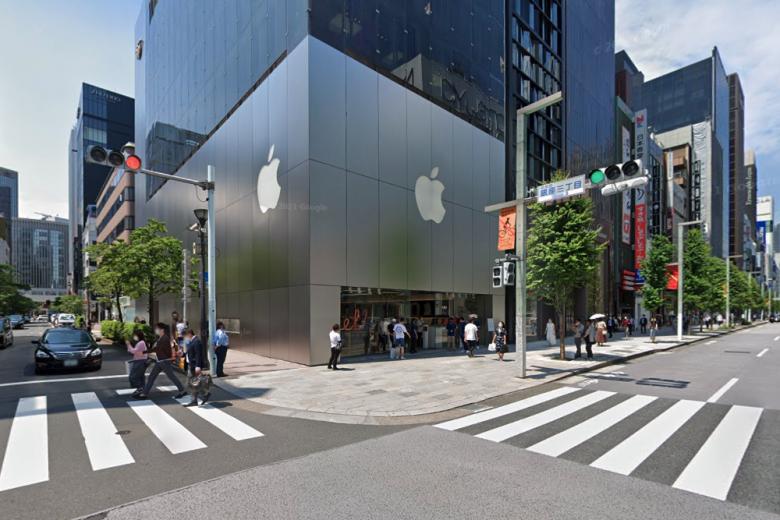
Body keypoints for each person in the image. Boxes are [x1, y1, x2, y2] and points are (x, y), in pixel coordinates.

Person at [136, 323, 187, 399]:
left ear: (162, 330)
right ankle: (144, 394)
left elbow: (160, 350)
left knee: (171, 376)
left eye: (157, 329)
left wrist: (144, 352)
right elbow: (157, 349)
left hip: (164, 361)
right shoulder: (161, 338)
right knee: (152, 377)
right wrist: (145, 353)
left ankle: (182, 390)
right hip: (160, 361)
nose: (156, 330)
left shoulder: (165, 338)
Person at [183, 328, 210, 407]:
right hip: (191, 365)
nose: (185, 337)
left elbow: (198, 355)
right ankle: (202, 396)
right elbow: (190, 352)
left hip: (194, 365)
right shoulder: (192, 341)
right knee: (193, 383)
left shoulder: (196, 341)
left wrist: (198, 366)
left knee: (191, 383)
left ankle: (202, 395)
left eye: (185, 336)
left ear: (189, 334)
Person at [126, 331, 148, 397]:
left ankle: (140, 388)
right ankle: (143, 390)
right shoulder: (141, 342)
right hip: (141, 360)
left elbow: (133, 351)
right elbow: (132, 351)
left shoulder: (141, 343)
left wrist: (128, 344)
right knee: (140, 376)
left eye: (135, 335)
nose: (134, 337)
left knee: (133, 377)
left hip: (140, 361)